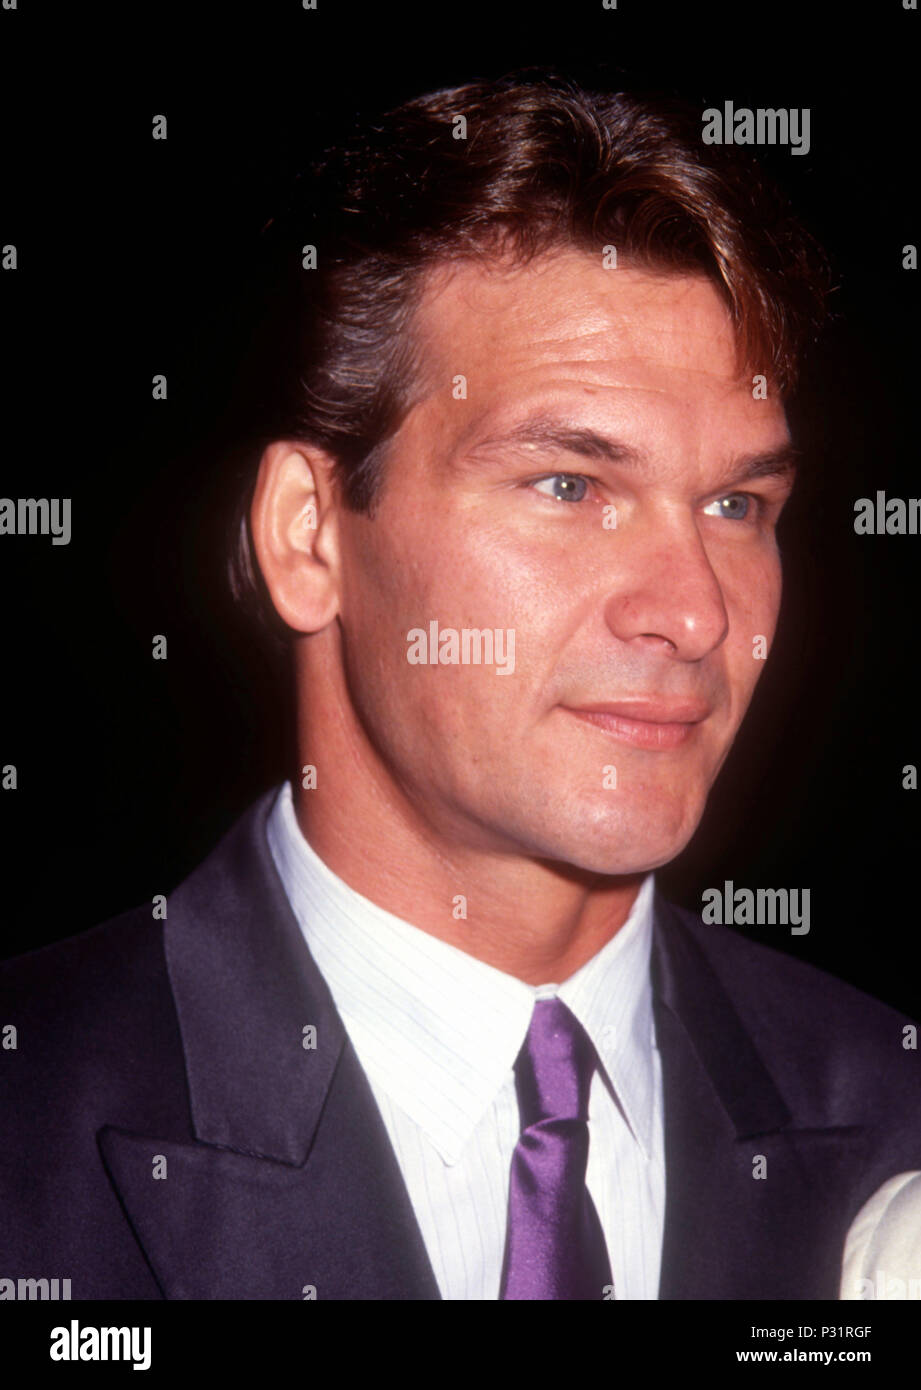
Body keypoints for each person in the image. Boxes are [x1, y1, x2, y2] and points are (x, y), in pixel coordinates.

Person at [1, 72, 919, 1301]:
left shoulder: (892, 1120)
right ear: (309, 537)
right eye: (568, 485)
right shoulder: (31, 1130)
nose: (696, 610)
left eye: (735, 504)